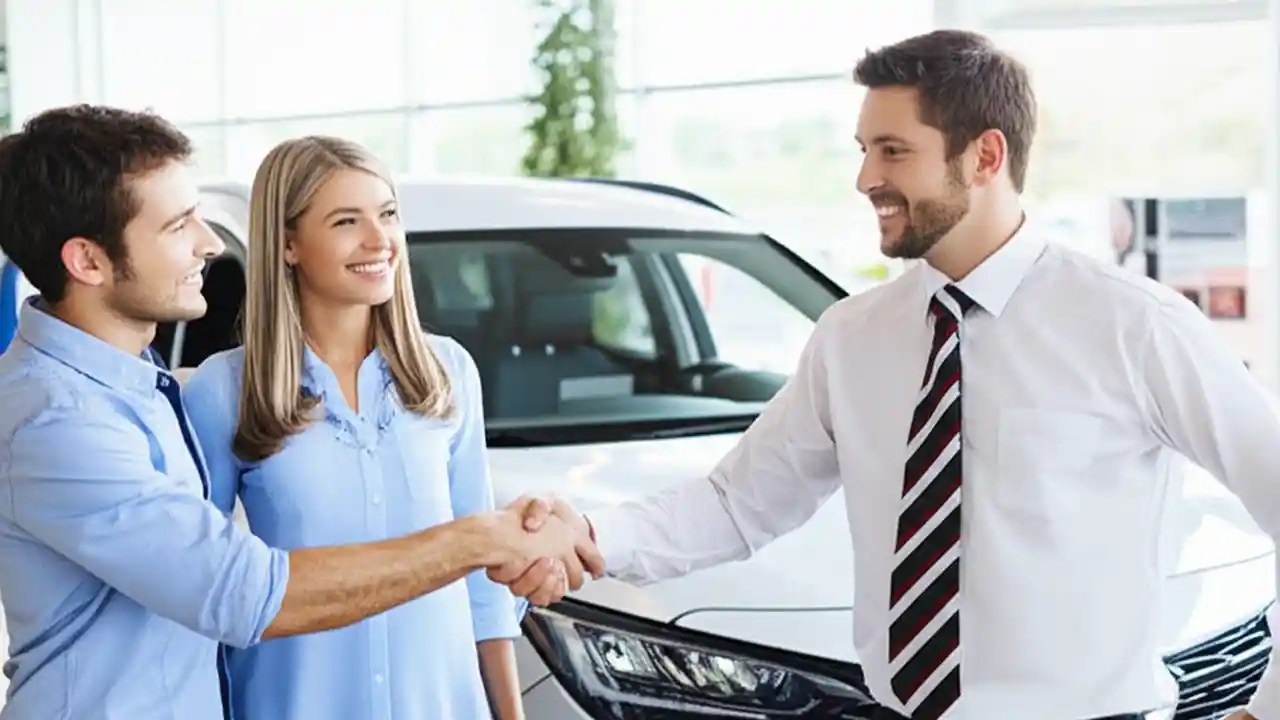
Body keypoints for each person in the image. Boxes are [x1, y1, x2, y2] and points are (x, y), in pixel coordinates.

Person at [523, 30, 1280, 720]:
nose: (864, 179)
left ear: (985, 156)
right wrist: (591, 533)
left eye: (892, 151)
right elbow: (734, 506)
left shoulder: (1133, 324)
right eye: (862, 149)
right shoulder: (853, 337)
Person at [0, 104, 601, 720]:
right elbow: (241, 593)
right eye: (180, 226)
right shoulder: (58, 421)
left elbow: (482, 597)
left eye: (387, 214)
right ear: (89, 262)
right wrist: (484, 537)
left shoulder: (135, 388)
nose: (209, 246)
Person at [181, 135, 528, 720]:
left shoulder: (448, 372)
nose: (379, 240)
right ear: (288, 244)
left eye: (387, 214)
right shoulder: (225, 390)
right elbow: (197, 590)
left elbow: (483, 584)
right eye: (347, 221)